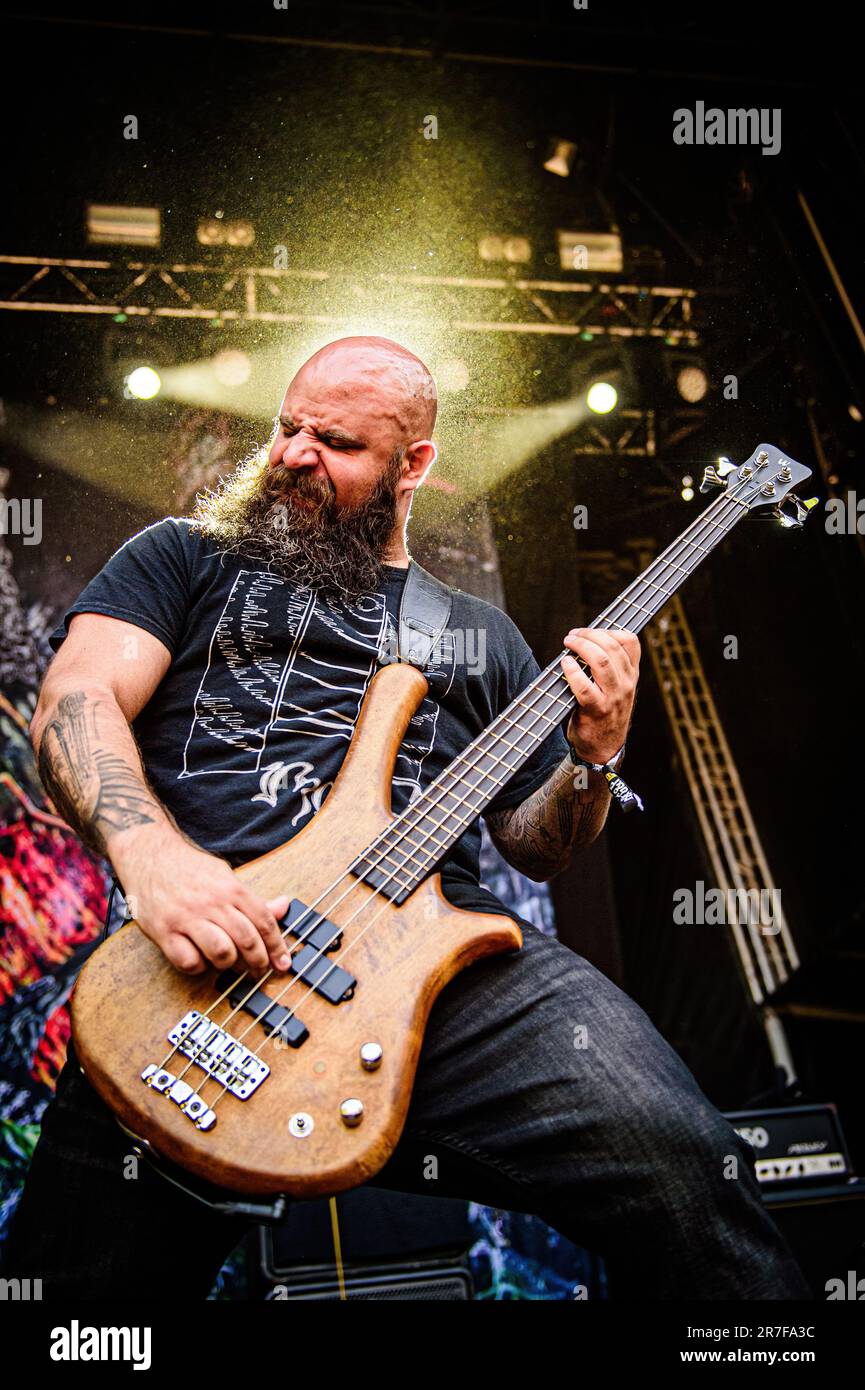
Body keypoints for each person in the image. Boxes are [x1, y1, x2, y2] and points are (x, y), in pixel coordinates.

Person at [2, 336, 811, 1299]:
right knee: (73, 1312)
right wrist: (155, 862)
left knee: (686, 1165)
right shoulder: (184, 558)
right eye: (287, 428)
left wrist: (594, 761)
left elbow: (536, 845)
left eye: (336, 442)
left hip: (434, 965)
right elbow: (76, 700)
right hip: (202, 966)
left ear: (413, 465)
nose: (295, 455)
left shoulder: (476, 632)